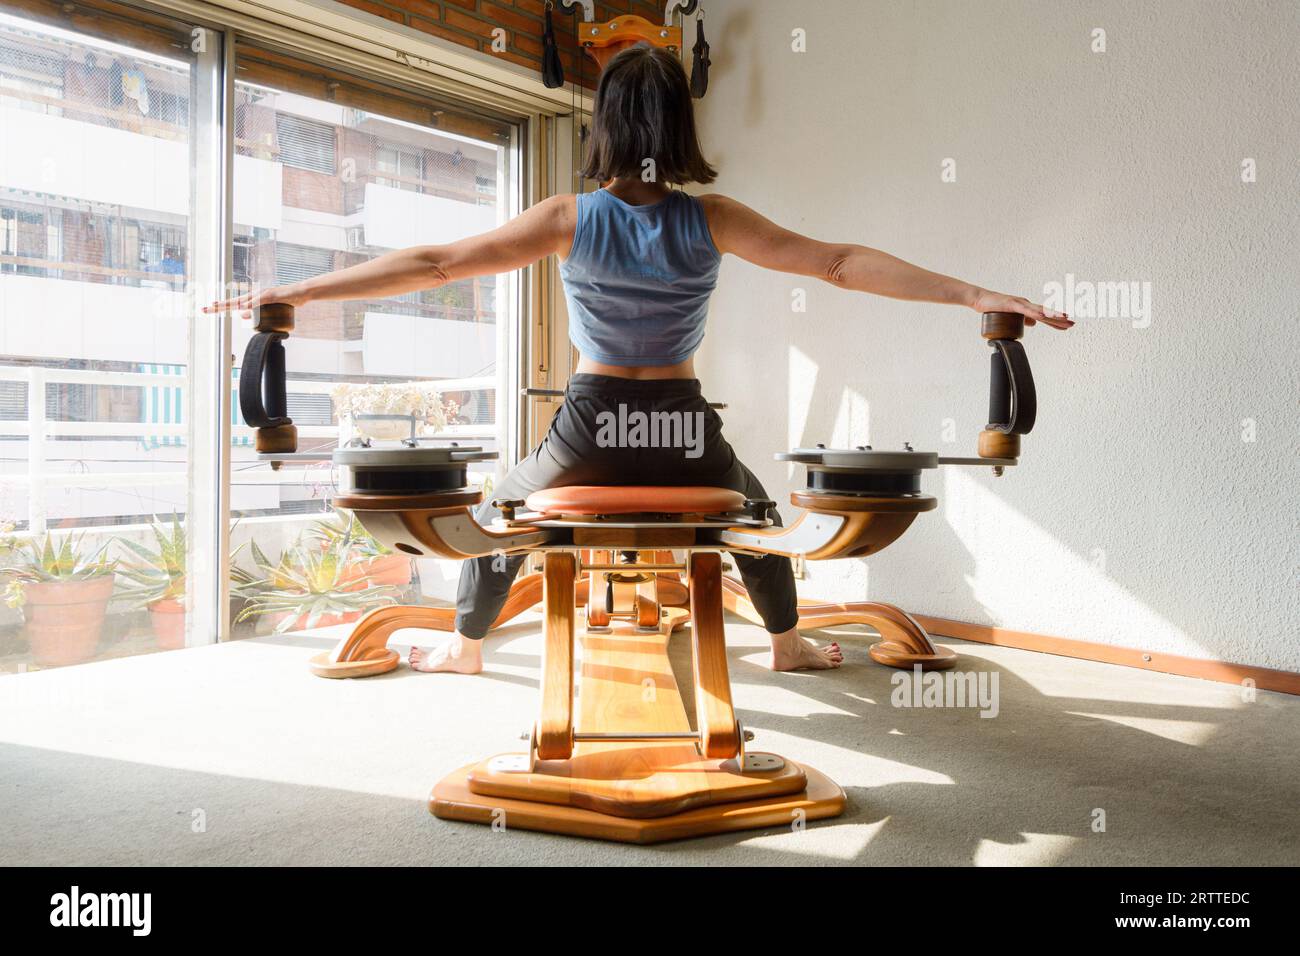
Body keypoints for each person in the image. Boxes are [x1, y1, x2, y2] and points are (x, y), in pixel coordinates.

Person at [206, 45, 1071, 675]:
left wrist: (304, 292)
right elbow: (838, 262)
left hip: (591, 428)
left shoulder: (567, 216)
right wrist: (974, 296)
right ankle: (785, 643)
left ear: (607, 125)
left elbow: (436, 263)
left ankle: (466, 649)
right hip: (683, 431)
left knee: (508, 505)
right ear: (678, 126)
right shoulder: (714, 218)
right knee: (756, 509)